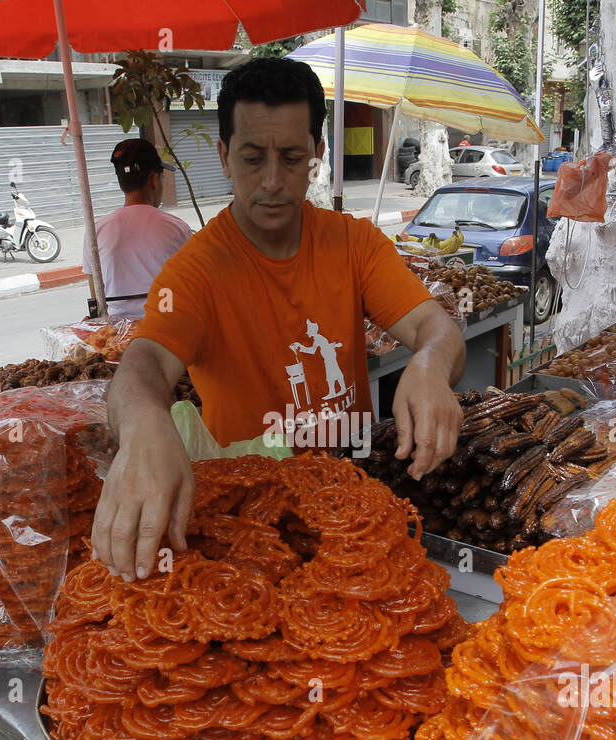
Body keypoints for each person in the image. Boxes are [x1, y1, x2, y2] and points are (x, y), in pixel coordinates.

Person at [91, 57, 466, 582]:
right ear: (223, 156)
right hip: (248, 530)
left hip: (350, 503)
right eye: (251, 158)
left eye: (291, 158)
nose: (271, 181)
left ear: (317, 154)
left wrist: (428, 365)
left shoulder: (354, 244)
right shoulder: (195, 271)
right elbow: (145, 361)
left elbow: (436, 326)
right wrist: (143, 425)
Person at [82, 138, 191, 318]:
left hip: (115, 337)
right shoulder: (178, 229)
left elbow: (96, 297)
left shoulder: (96, 233)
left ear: (120, 184)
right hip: (167, 331)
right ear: (154, 180)